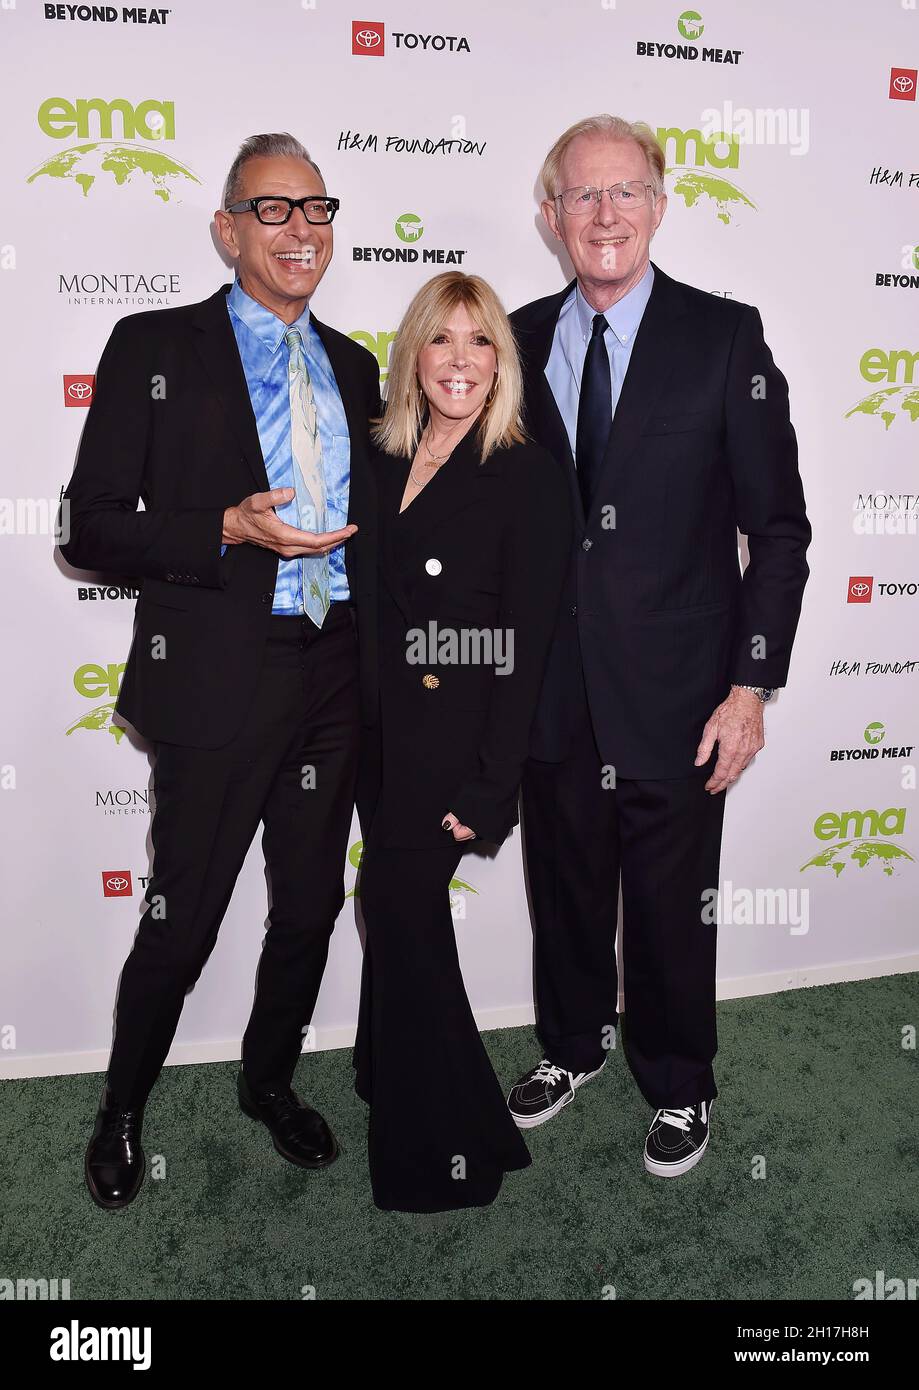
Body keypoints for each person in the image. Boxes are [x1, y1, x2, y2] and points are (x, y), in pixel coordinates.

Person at [60, 132, 381, 1210]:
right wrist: (226, 529)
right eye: (275, 210)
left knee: (306, 909)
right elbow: (89, 530)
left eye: (318, 208)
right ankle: (121, 1107)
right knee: (182, 913)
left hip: (334, 676)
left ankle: (267, 1078)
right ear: (228, 229)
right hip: (214, 680)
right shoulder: (153, 343)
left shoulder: (354, 364)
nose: (303, 230)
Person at [507, 115, 811, 1176]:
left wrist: (750, 685)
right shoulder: (511, 336)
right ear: (550, 214)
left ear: (660, 203)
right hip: (550, 692)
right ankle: (570, 1044)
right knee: (565, 887)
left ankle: (680, 1080)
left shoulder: (723, 337)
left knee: (674, 910)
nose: (603, 215)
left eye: (624, 191)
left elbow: (777, 529)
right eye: (581, 195)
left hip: (684, 695)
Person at [352, 272, 573, 1212]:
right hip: (372, 731)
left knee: (402, 915)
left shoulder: (524, 470)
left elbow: (524, 646)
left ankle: (454, 1150)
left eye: (479, 342)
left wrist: (490, 786)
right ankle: (379, 1069)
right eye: (440, 340)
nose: (459, 361)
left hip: (454, 742)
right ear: (413, 354)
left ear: (501, 363)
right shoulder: (381, 450)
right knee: (391, 915)